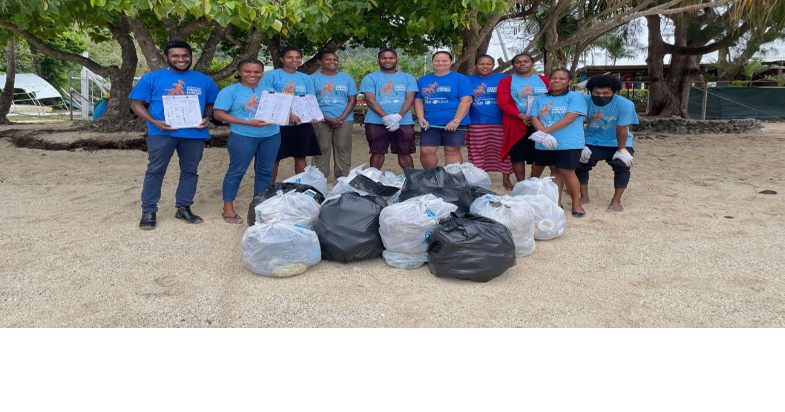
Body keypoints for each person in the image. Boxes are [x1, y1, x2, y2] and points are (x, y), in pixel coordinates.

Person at [130, 40, 219, 230]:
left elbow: (211, 103)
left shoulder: (204, 80)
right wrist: (154, 122)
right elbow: (136, 104)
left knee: (190, 171)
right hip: (161, 132)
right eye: (175, 56)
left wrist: (208, 116)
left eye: (185, 55)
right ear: (166, 57)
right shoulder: (151, 78)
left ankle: (184, 207)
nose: (181, 59)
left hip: (194, 133)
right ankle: (149, 210)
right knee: (155, 170)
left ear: (190, 57)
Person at [213, 60, 281, 225]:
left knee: (265, 171)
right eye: (248, 71)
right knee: (237, 171)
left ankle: (260, 204)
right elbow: (218, 114)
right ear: (239, 72)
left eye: (257, 72)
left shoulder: (270, 91)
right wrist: (247, 122)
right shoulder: (230, 91)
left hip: (271, 135)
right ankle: (228, 207)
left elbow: (278, 110)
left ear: (262, 73)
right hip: (243, 135)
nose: (252, 75)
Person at [529, 69, 588, 218]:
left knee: (568, 173)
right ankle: (557, 202)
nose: (557, 81)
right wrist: (544, 135)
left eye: (562, 78)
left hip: (568, 142)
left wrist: (544, 132)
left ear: (569, 82)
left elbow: (569, 118)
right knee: (554, 171)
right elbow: (534, 117)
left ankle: (576, 204)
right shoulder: (540, 98)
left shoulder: (576, 97)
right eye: (554, 78)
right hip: (545, 143)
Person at [577, 74, 638, 212]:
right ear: (590, 91)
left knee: (623, 166)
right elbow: (579, 124)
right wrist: (583, 146)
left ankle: (616, 201)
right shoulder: (584, 101)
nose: (601, 95)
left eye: (606, 93)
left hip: (618, 141)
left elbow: (621, 129)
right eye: (596, 92)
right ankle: (584, 196)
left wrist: (622, 150)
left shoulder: (625, 104)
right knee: (580, 163)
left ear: (614, 92)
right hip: (592, 140)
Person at [261, 46, 321, 183]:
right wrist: (288, 115)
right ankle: (270, 188)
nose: (294, 60)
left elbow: (309, 99)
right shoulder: (271, 76)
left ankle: (301, 187)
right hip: (278, 125)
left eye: (297, 57)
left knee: (301, 156)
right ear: (282, 59)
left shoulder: (305, 78)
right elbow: (268, 99)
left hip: (301, 124)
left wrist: (312, 115)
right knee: (275, 158)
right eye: (289, 57)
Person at [359, 48, 419, 170]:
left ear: (397, 60)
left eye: (391, 58)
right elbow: (370, 100)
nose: (388, 60)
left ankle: (412, 180)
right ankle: (374, 179)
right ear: (378, 61)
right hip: (376, 122)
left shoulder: (408, 78)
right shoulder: (370, 78)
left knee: (405, 152)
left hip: (404, 121)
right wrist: (386, 117)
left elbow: (410, 99)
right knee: (377, 152)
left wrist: (398, 116)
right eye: (384, 58)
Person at [498, 53, 552, 183]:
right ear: (513, 65)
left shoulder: (544, 80)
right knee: (517, 156)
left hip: (542, 122)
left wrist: (535, 118)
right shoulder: (506, 81)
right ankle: (521, 184)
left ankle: (533, 182)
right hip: (517, 122)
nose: (522, 64)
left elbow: (553, 98)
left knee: (539, 154)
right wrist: (523, 116)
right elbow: (502, 103)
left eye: (526, 61)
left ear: (532, 63)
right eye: (518, 62)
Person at [415, 51, 473, 169]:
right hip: (430, 122)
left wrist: (456, 120)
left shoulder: (461, 79)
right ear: (432, 62)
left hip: (455, 121)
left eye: (444, 60)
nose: (440, 63)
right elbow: (418, 100)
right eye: (437, 60)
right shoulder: (423, 80)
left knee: (451, 150)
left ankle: (452, 179)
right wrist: (421, 118)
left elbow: (466, 100)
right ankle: (432, 177)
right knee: (426, 151)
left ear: (451, 62)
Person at [310, 50, 358, 179]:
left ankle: (342, 179)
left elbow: (352, 100)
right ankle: (319, 181)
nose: (332, 62)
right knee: (321, 148)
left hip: (344, 120)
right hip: (320, 120)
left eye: (335, 60)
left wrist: (340, 119)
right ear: (320, 62)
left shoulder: (346, 78)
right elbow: (311, 101)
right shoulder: (313, 79)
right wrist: (327, 119)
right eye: (328, 59)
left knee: (343, 148)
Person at [467, 55, 512, 190]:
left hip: (501, 121)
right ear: (476, 65)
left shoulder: (503, 79)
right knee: (477, 151)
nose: (485, 66)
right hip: (476, 121)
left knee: (503, 151)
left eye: (488, 64)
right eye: (481, 64)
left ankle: (506, 179)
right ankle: (479, 180)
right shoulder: (468, 80)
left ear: (493, 65)